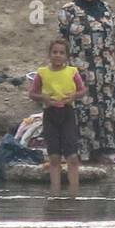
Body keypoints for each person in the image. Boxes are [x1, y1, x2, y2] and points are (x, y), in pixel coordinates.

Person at [58, 0, 115, 163]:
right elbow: (61, 42)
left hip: (104, 72)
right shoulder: (69, 11)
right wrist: (59, 69)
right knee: (83, 111)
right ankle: (82, 152)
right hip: (80, 72)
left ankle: (102, 152)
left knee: (105, 110)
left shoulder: (106, 10)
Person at [28, 38, 87, 195]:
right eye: (55, 52)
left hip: (67, 113)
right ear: (49, 54)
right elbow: (32, 93)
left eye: (61, 53)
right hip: (50, 114)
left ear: (67, 56)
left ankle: (74, 192)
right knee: (54, 157)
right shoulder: (42, 73)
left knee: (72, 156)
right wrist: (45, 99)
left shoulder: (72, 72)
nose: (58, 55)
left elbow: (82, 90)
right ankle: (55, 193)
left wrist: (73, 96)